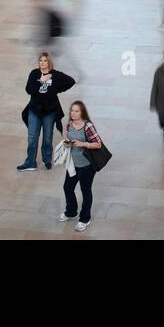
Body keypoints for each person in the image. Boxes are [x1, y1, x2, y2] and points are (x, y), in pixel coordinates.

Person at [18, 52, 76, 171]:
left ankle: (47, 160)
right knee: (33, 137)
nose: (42, 63)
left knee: (48, 138)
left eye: (45, 61)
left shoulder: (55, 75)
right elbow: (29, 89)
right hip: (34, 110)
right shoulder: (34, 74)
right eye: (40, 61)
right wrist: (41, 80)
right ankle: (30, 162)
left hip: (49, 111)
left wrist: (57, 89)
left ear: (49, 62)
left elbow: (71, 81)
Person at [56, 100, 103, 233]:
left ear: (82, 112)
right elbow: (68, 138)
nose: (73, 113)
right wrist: (67, 143)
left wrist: (83, 144)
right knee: (67, 187)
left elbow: (98, 144)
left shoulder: (88, 126)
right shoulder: (69, 125)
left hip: (87, 165)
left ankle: (85, 218)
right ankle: (71, 212)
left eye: (77, 111)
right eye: (72, 110)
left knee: (85, 190)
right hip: (73, 163)